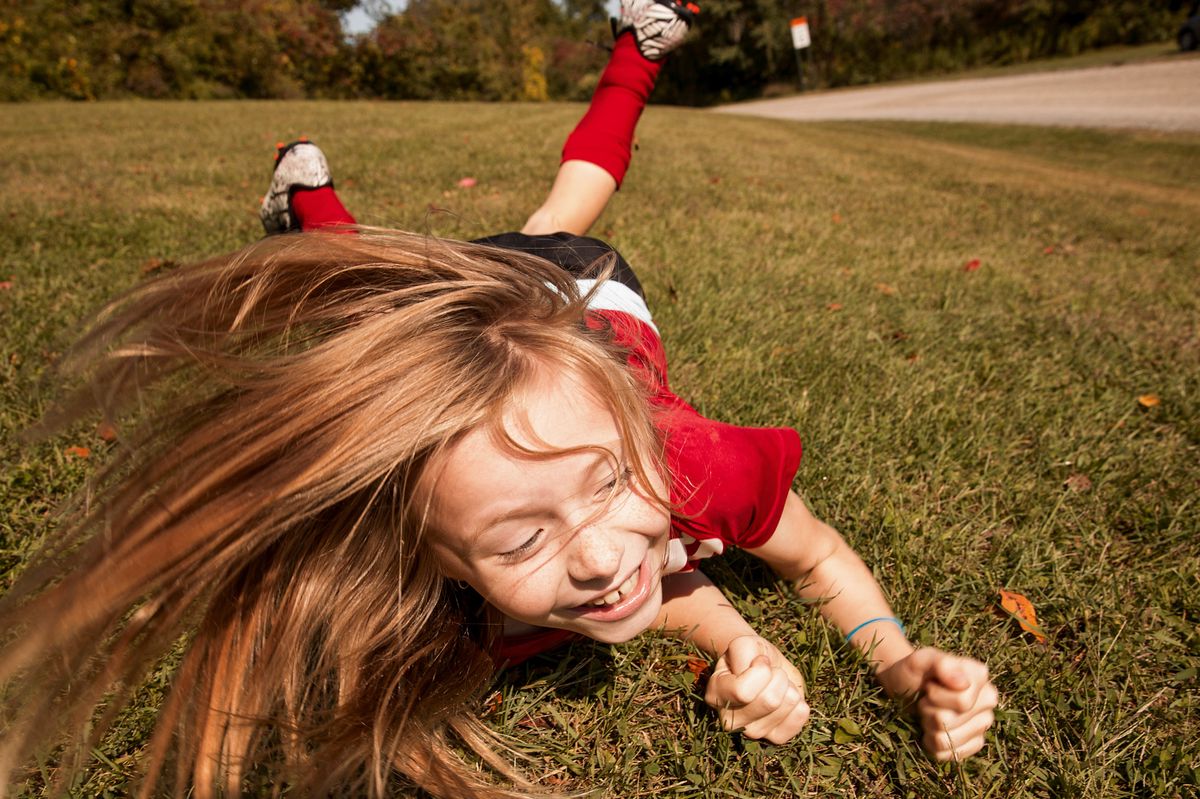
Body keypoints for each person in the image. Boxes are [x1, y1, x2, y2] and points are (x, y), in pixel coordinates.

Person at [0, 1, 998, 796]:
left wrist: (897, 662)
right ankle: (306, 211)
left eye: (610, 484)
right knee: (385, 314)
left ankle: (639, 42)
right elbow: (653, 593)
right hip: (499, 326)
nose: (607, 553)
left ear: (631, 447)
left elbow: (815, 555)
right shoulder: (430, 586)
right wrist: (734, 637)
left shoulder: (694, 465)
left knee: (559, 214)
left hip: (589, 290)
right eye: (520, 540)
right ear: (427, 555)